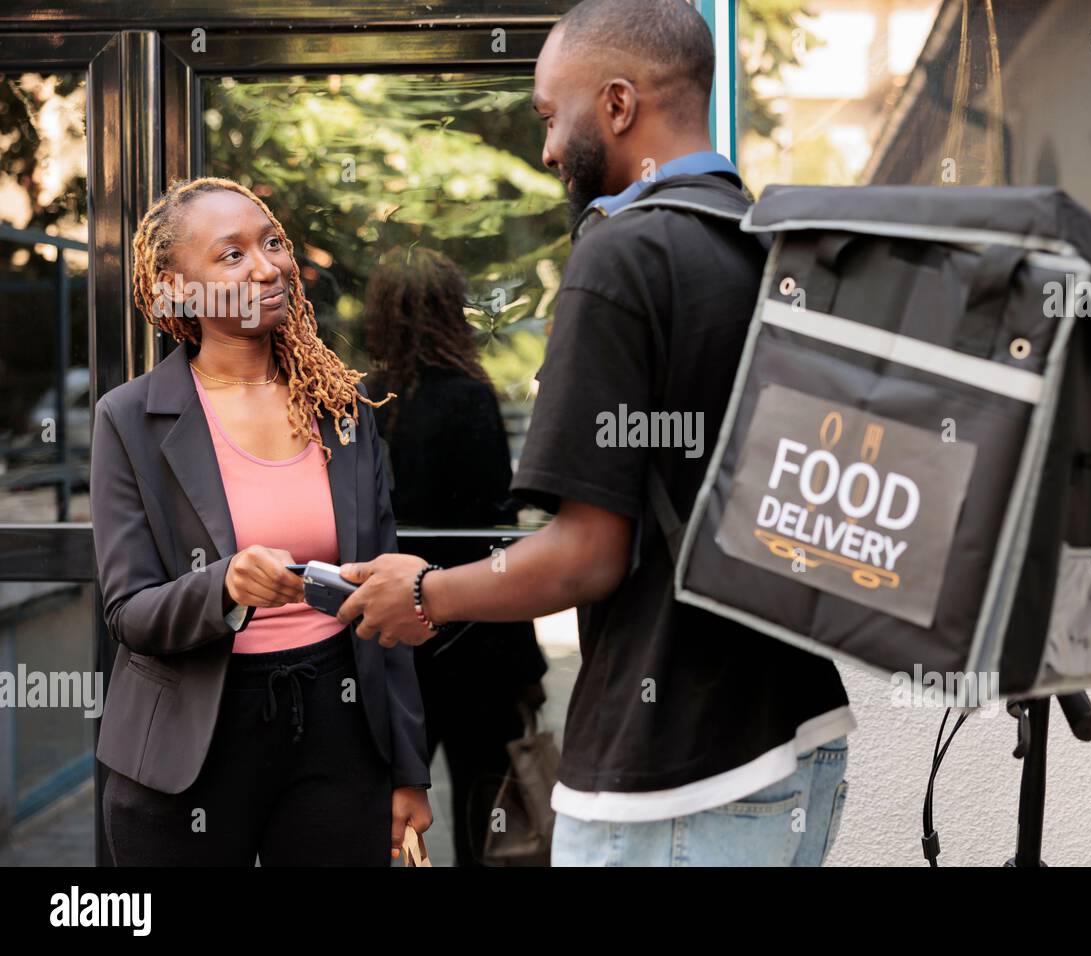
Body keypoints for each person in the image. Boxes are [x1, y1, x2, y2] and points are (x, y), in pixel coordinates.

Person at [336, 0, 855, 867]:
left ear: (618, 106)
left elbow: (588, 554)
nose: (546, 149)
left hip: (675, 777)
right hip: (799, 735)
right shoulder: (764, 245)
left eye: (549, 116)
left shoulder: (621, 255)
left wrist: (426, 595)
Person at [90, 177, 432, 866]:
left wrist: (409, 769)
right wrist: (223, 585)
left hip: (338, 731)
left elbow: (386, 608)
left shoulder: (344, 411)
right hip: (188, 746)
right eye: (233, 255)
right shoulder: (127, 419)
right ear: (178, 290)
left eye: (272, 242)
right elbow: (129, 613)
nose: (269, 265)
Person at [364, 246, 549, 866]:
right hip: (478, 644)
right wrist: (528, 666)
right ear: (451, 310)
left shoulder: (367, 401)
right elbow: (498, 533)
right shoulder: (470, 395)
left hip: (393, 643)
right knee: (486, 820)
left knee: (389, 819)